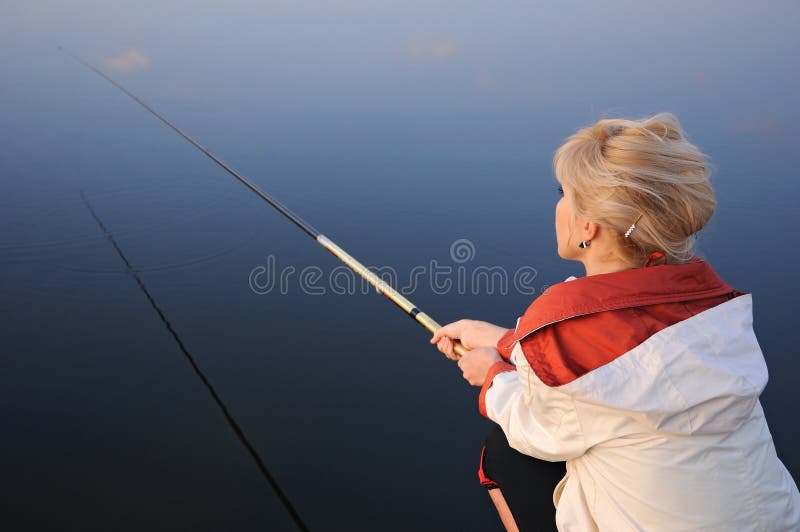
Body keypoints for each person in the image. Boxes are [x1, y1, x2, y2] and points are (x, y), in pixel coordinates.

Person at [430, 113, 800, 531]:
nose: (558, 205)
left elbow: (539, 430)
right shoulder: (712, 314)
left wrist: (493, 376)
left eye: (564, 193)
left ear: (588, 226)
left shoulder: (567, 337)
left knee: (505, 453)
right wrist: (506, 341)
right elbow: (631, 359)